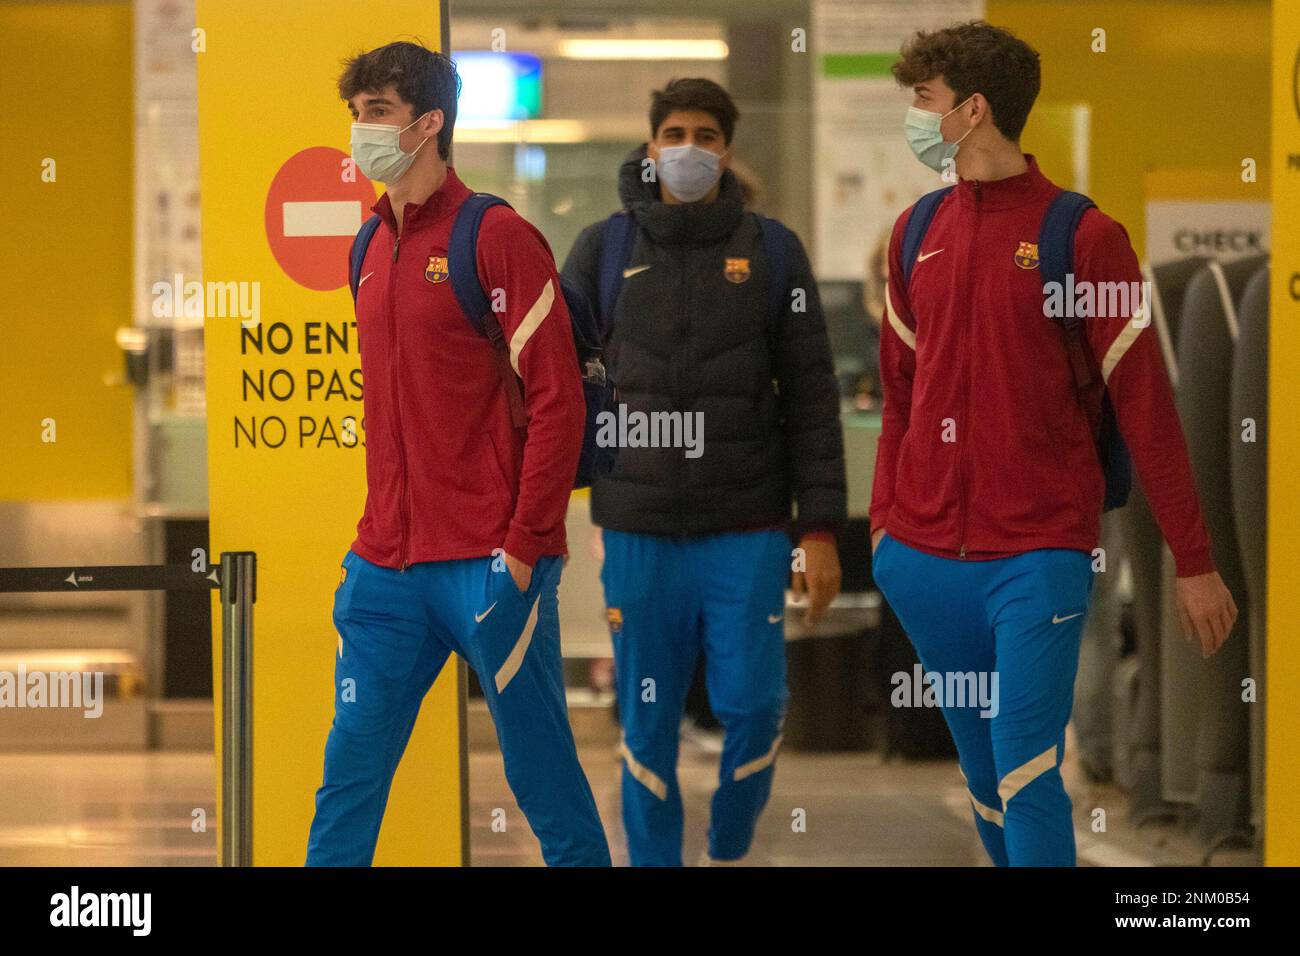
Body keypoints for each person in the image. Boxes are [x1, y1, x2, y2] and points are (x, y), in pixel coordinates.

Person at [870, 20, 1237, 866]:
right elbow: (901, 395)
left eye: (923, 100)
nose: (914, 117)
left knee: (1028, 771)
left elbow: (1147, 407)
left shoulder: (1086, 237)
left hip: (1037, 556)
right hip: (923, 558)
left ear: (971, 110)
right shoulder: (913, 232)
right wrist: (887, 525)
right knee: (983, 782)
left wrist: (1195, 558)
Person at [306, 41, 610, 867]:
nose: (360, 133)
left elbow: (560, 403)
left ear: (429, 122)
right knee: (349, 776)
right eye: (356, 114)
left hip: (487, 561)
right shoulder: (366, 247)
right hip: (384, 567)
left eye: (377, 113)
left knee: (540, 772)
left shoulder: (497, 239)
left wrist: (522, 548)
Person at [562, 78, 846, 866]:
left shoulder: (773, 251)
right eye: (674, 134)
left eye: (707, 136)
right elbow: (559, 379)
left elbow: (814, 395)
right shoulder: (603, 248)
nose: (688, 149)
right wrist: (576, 489)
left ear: (727, 149)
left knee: (754, 705)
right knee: (646, 720)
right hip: (638, 528)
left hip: (746, 527)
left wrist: (817, 527)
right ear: (651, 147)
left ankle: (728, 839)